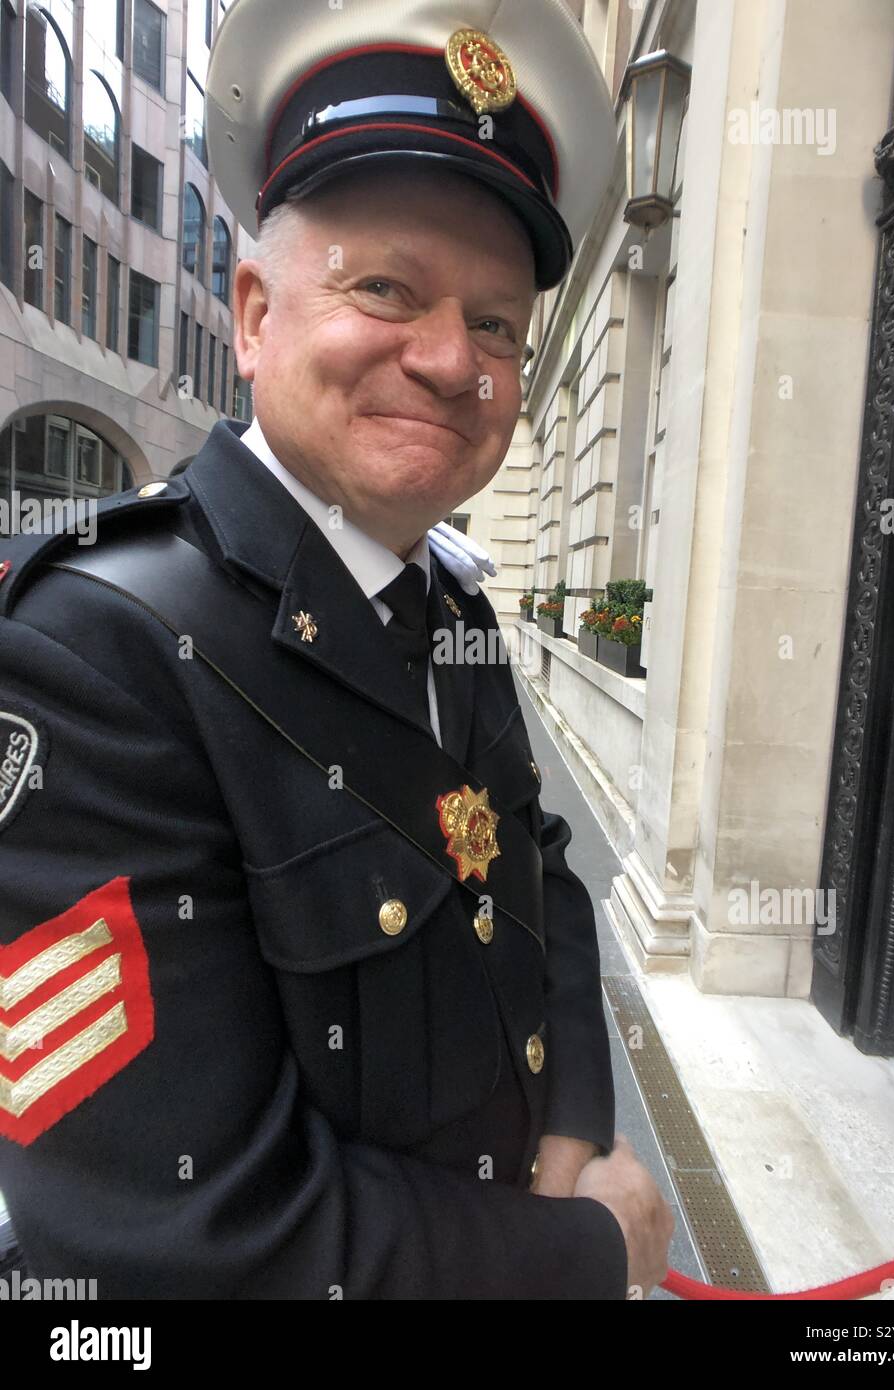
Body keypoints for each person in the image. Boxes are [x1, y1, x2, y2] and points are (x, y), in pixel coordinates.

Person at [0, 0, 674, 1298]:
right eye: (386, 290)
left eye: (494, 327)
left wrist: (571, 1130)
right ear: (253, 315)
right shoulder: (94, 655)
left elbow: (539, 876)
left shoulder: (455, 619)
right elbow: (174, 1242)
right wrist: (580, 1249)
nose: (450, 361)